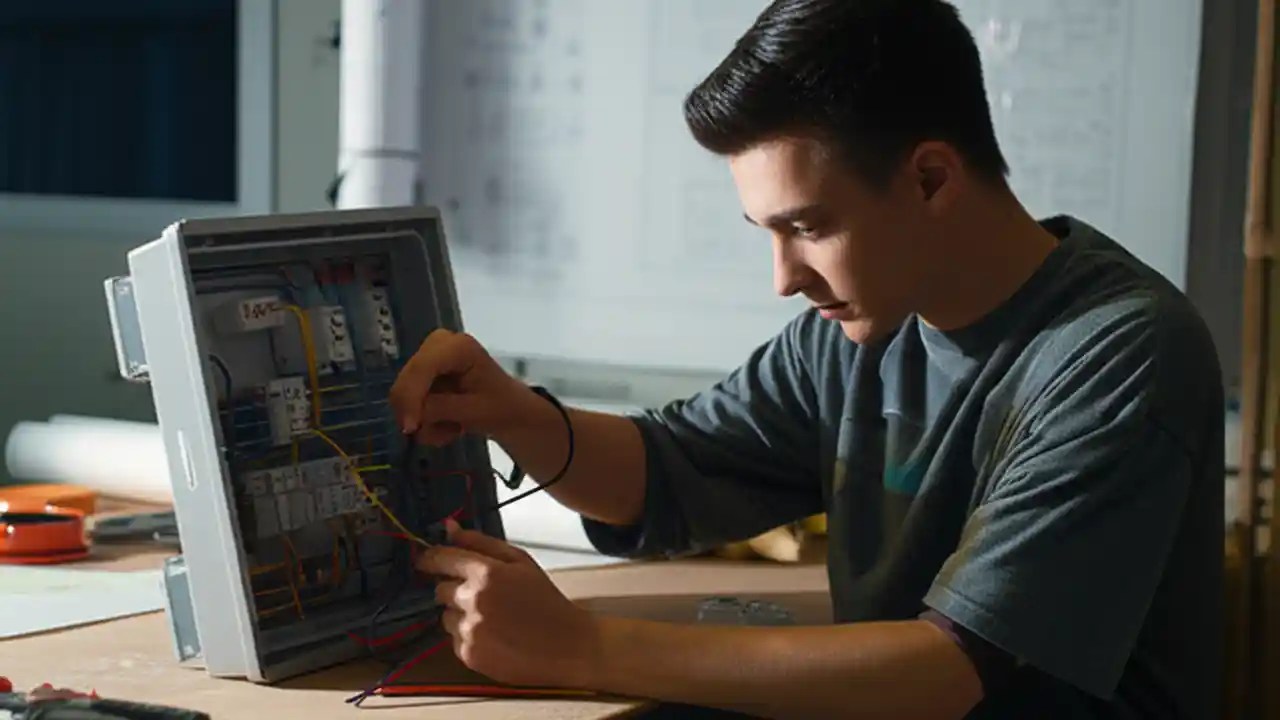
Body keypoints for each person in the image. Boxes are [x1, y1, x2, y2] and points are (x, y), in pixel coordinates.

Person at [391, 0, 1225, 717]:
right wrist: (510, 412)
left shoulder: (1121, 351)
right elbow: (670, 471)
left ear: (932, 179)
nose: (785, 279)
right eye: (766, 234)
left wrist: (578, 647)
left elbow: (951, 674)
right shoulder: (857, 329)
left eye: (809, 228)